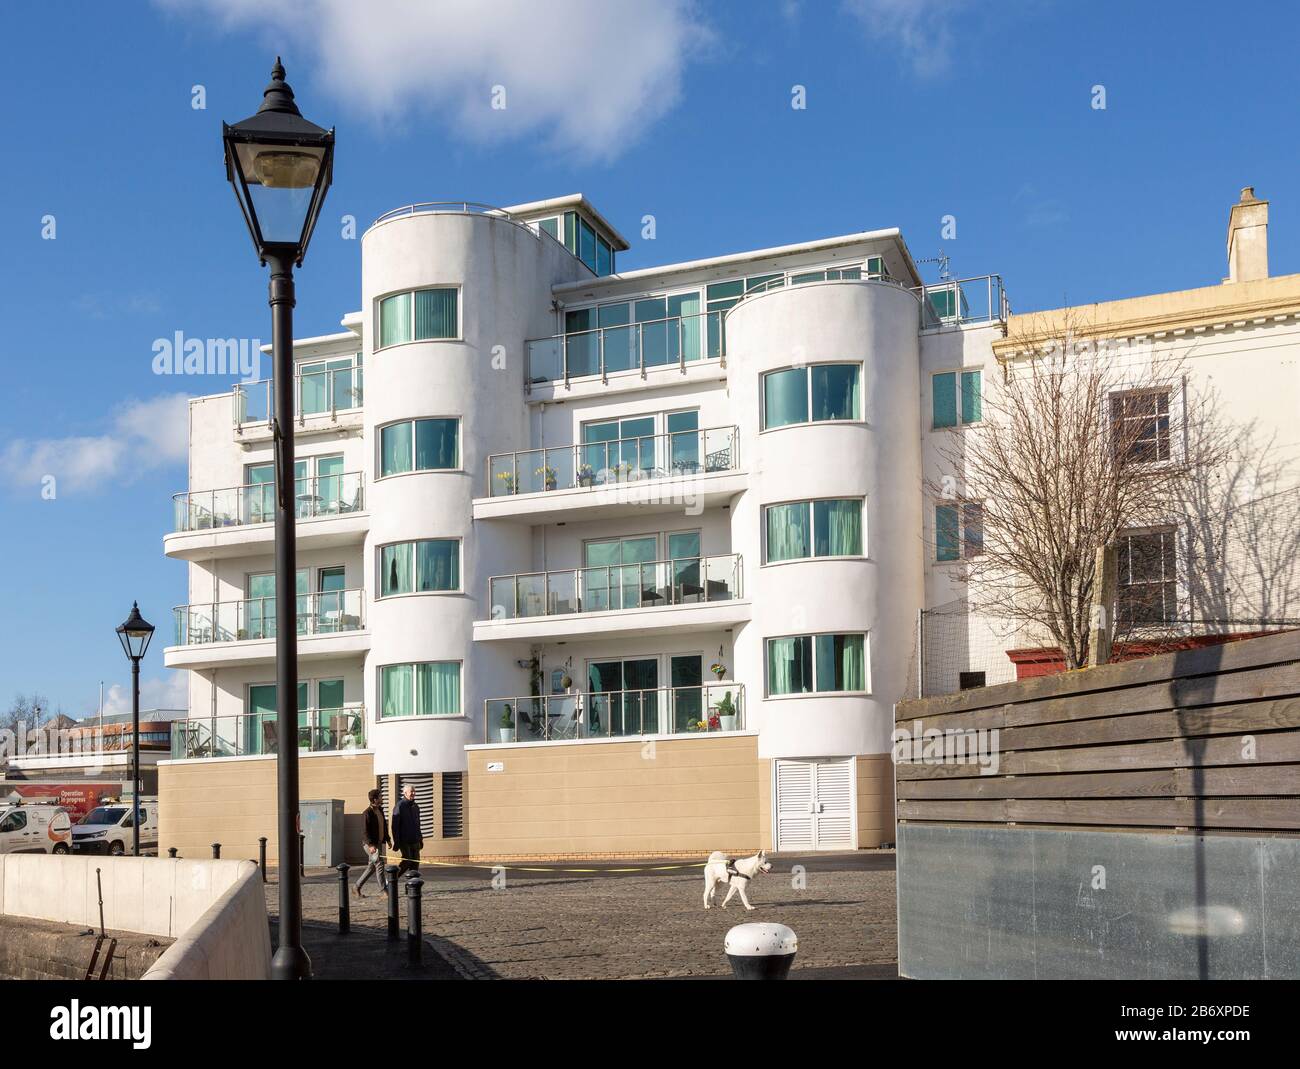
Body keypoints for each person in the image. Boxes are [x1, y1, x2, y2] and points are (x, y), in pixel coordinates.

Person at [354, 788, 390, 897]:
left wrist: (388, 839)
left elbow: (384, 826)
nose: (382, 798)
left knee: (372, 867)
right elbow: (365, 832)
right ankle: (384, 891)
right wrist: (370, 845)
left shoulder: (380, 810)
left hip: (378, 843)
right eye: (380, 796)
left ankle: (356, 887)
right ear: (375, 799)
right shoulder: (367, 813)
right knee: (379, 864)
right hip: (370, 844)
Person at [391, 783, 423, 878]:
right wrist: (396, 842)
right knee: (407, 861)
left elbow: (418, 825)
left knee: (415, 864)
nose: (413, 793)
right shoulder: (400, 806)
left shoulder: (415, 807)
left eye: (414, 791)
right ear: (405, 793)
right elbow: (394, 826)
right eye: (411, 791)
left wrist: (420, 839)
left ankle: (412, 888)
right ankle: (392, 880)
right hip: (404, 841)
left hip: (415, 840)